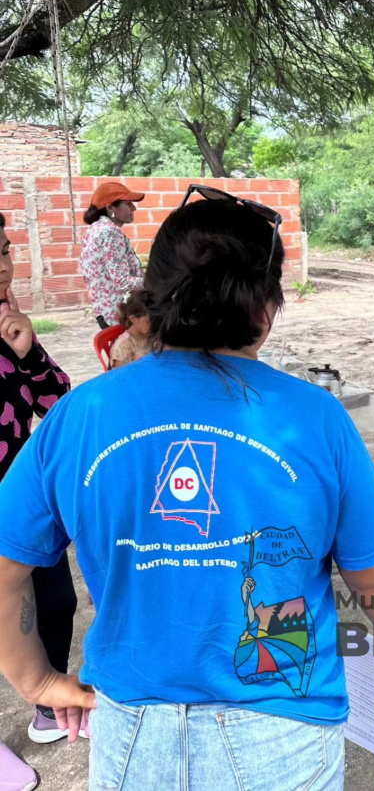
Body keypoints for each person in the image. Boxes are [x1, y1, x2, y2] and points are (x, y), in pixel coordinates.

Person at [0, 191, 374, 791]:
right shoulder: (315, 417)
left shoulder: (82, 416)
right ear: (266, 308)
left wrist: (39, 682)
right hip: (281, 731)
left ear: (152, 299)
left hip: (131, 737)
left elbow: (4, 567)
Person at [0, 210, 76, 791]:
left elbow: (57, 405)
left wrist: (28, 353)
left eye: (5, 251)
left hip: (24, 509)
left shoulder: (10, 330)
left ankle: (48, 703)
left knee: (52, 603)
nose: (5, 267)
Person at [80, 182, 145, 329]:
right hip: (118, 315)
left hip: (105, 312)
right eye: (128, 204)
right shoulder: (111, 232)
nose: (133, 208)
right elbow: (122, 281)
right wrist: (153, 282)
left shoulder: (94, 230)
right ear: (110, 208)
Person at [110, 290, 151, 368]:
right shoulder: (123, 348)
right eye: (150, 320)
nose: (155, 324)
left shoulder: (154, 336)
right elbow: (122, 377)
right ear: (133, 318)